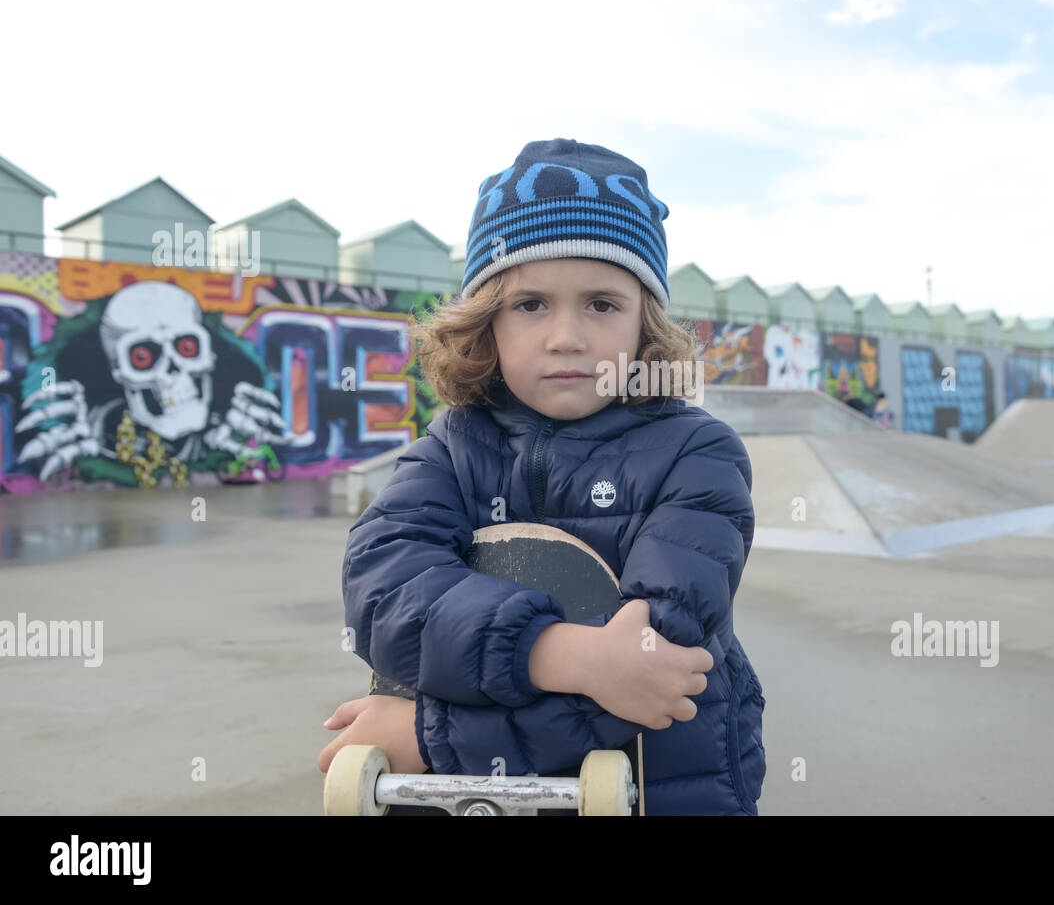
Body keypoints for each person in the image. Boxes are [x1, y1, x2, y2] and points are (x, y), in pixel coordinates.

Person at [316, 138, 766, 815]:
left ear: (646, 321)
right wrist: (563, 654)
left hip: (664, 788)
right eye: (531, 304)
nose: (566, 336)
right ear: (485, 322)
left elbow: (653, 667)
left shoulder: (697, 454)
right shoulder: (454, 447)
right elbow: (383, 588)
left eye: (602, 304)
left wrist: (430, 740)